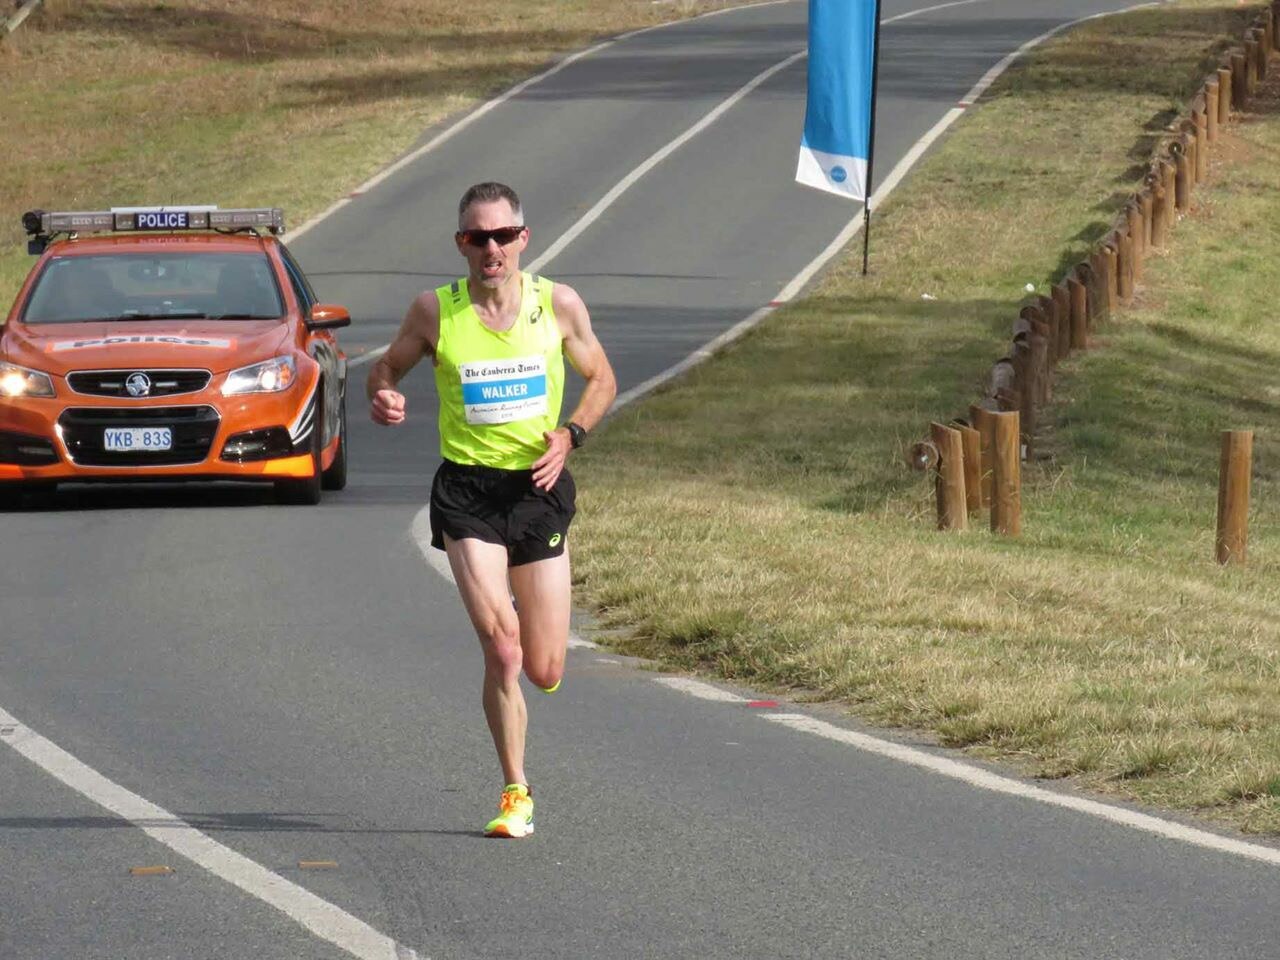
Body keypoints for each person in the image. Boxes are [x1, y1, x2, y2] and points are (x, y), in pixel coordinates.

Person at [367, 182, 617, 838]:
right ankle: (516, 792)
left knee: (544, 666)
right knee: (502, 651)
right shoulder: (434, 312)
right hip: (468, 494)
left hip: (538, 490)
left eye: (503, 235)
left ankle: (539, 676)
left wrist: (571, 436)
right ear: (461, 245)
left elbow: (603, 378)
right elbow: (384, 370)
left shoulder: (557, 304)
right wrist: (385, 396)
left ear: (523, 240)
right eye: (478, 238)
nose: (492, 249)